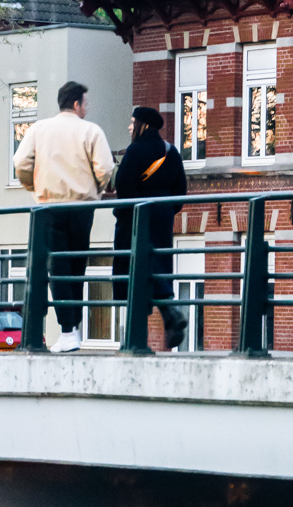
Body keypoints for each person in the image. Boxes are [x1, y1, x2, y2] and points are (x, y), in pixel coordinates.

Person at [12, 79, 113, 353]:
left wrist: (34, 186)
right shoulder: (91, 131)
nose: (87, 108)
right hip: (82, 207)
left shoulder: (39, 129)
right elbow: (105, 168)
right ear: (77, 104)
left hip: (49, 206)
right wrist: (95, 188)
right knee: (76, 267)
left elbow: (20, 162)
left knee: (56, 268)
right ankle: (74, 327)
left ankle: (67, 331)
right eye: (86, 103)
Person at [112, 105, 188, 351]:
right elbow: (180, 190)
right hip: (163, 216)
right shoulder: (171, 151)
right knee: (157, 265)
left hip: (135, 218)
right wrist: (166, 210)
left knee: (133, 271)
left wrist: (130, 212)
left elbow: (123, 187)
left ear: (143, 125)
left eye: (133, 122)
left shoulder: (134, 152)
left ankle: (135, 338)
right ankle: (170, 313)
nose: (129, 126)